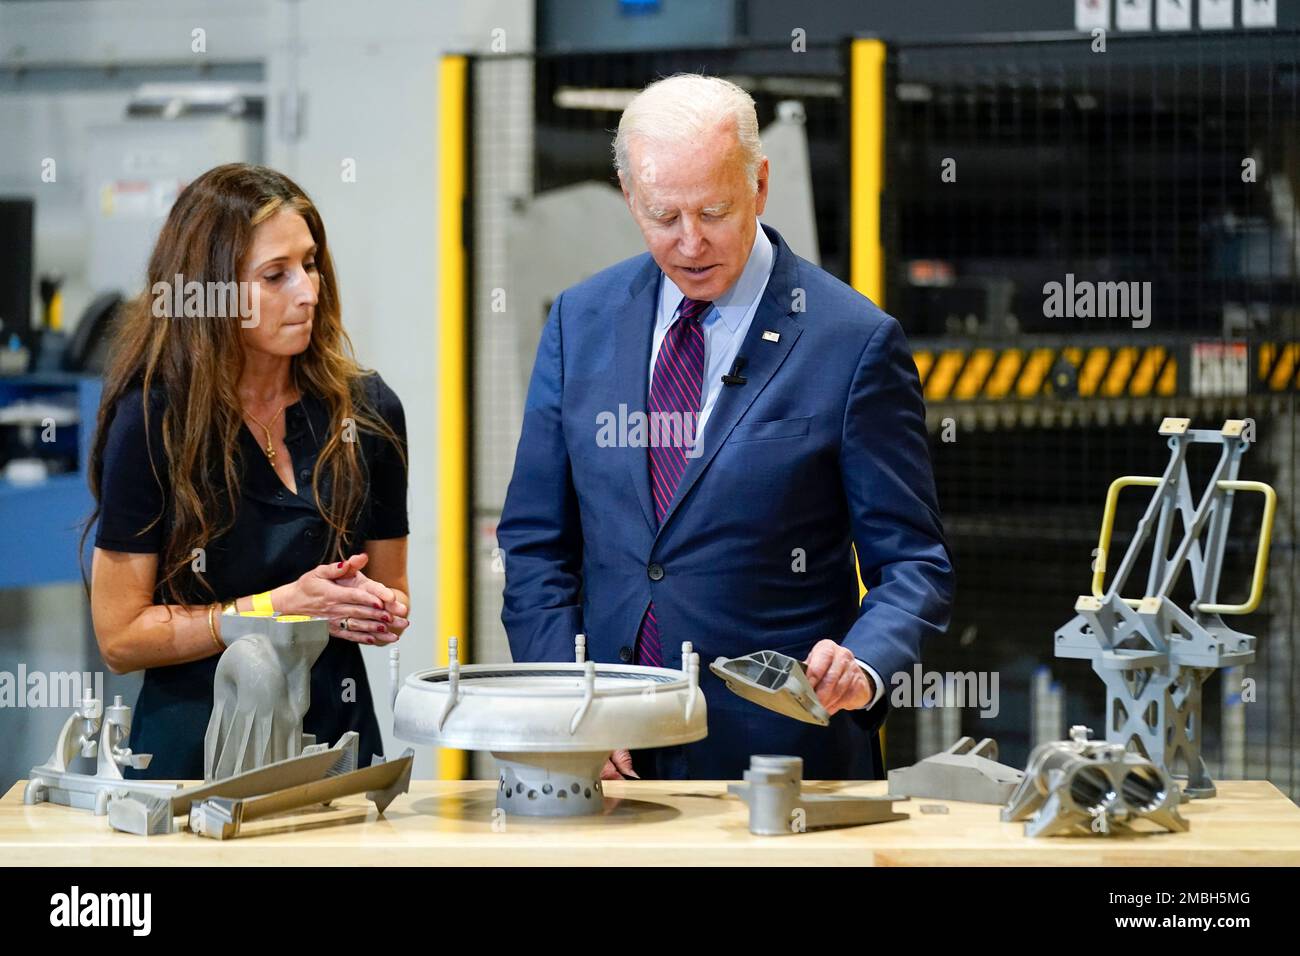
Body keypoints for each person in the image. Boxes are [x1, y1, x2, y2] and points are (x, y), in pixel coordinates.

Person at [497, 74, 953, 780]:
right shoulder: (579, 322)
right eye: (663, 216)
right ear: (628, 195)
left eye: (714, 211)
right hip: (607, 762)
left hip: (781, 764)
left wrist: (863, 665)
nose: (689, 243)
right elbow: (535, 543)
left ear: (760, 182)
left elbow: (914, 566)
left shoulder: (852, 341)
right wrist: (569, 706)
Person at [86, 163, 410, 779]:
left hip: (335, 752)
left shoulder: (368, 412)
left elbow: (393, 595)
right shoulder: (153, 421)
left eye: (310, 264)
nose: (308, 291)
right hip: (191, 760)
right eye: (275, 276)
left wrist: (372, 607)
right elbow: (120, 636)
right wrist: (280, 606)